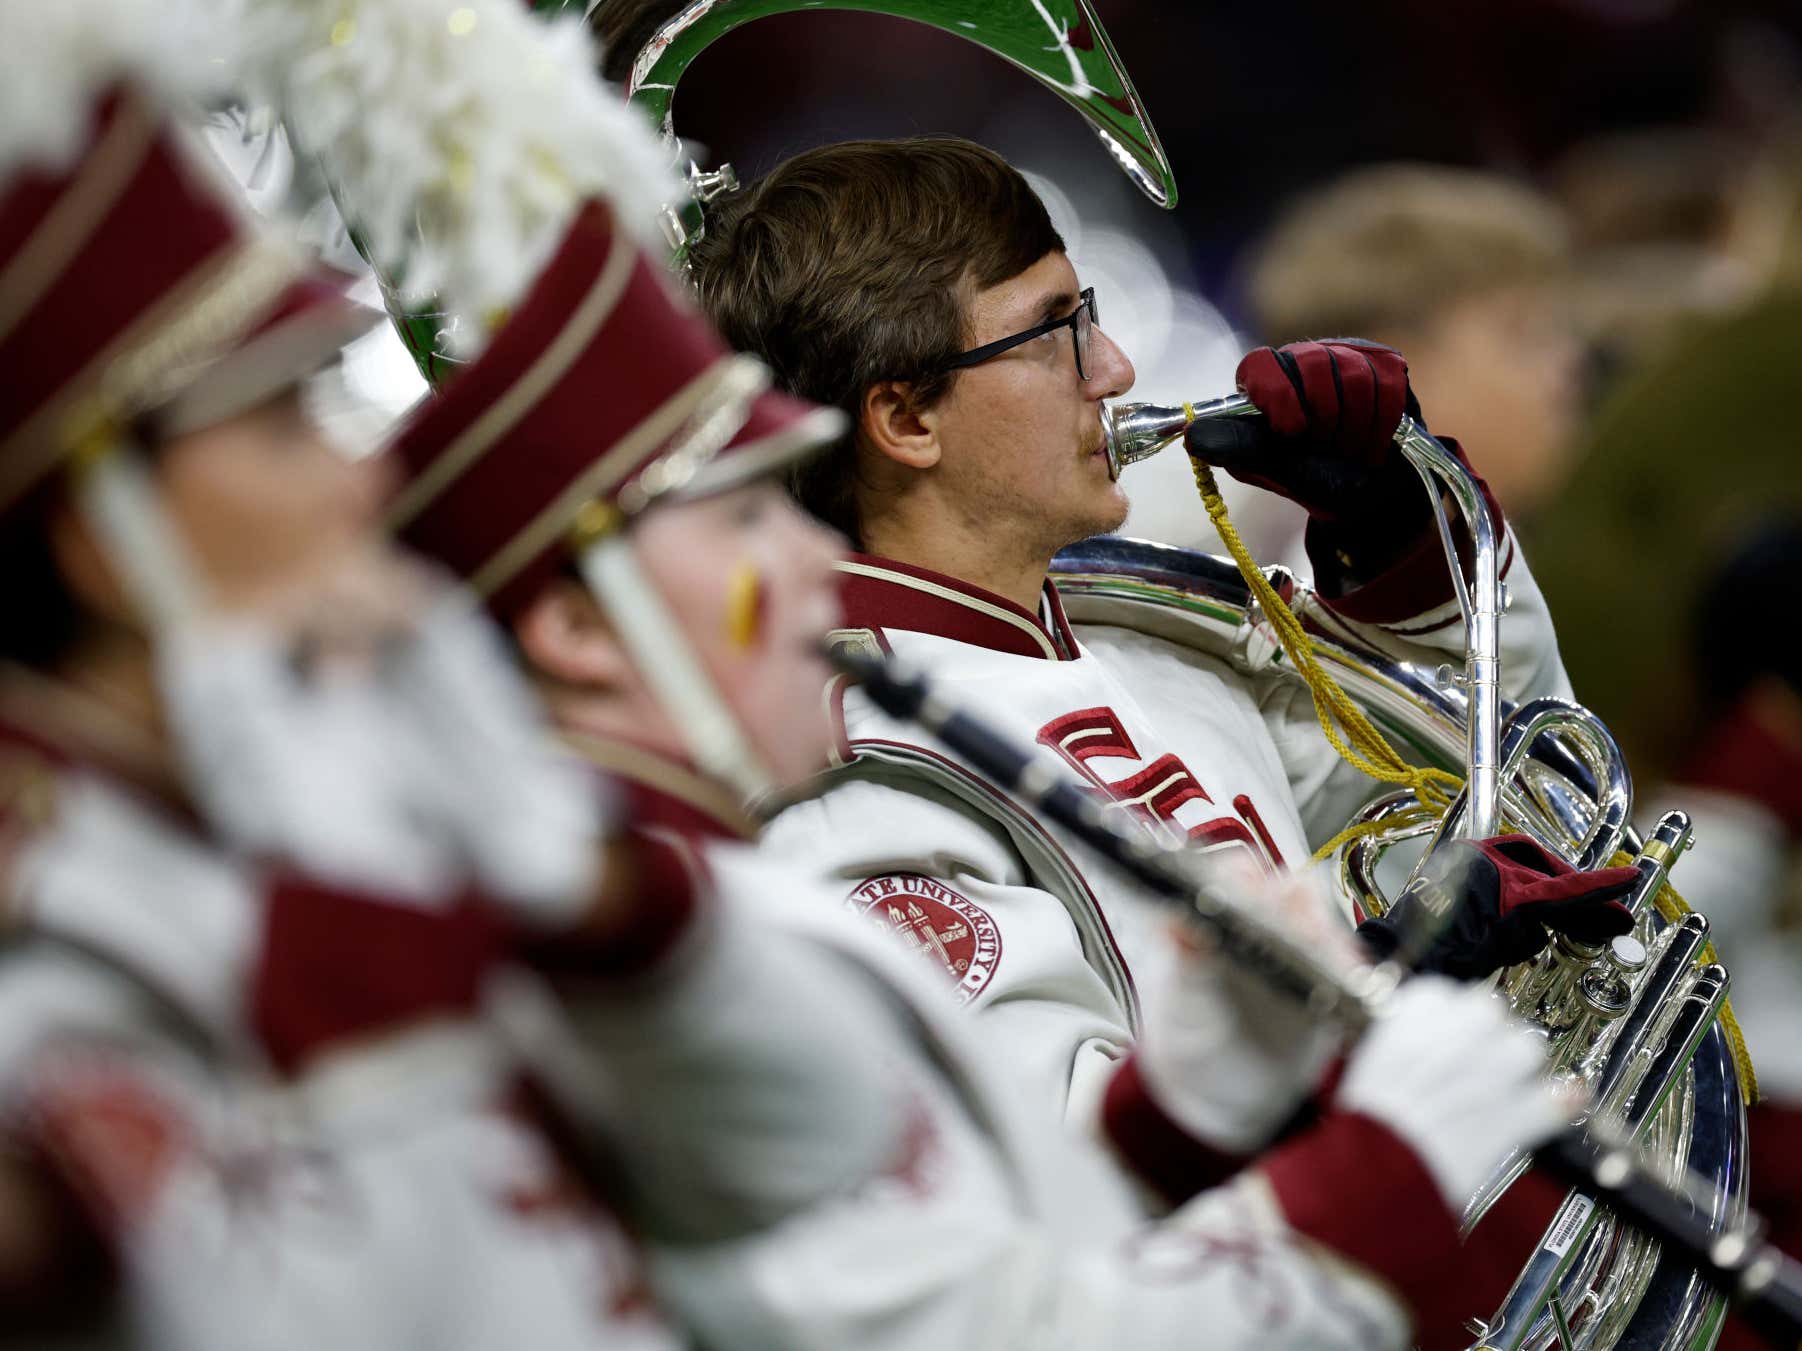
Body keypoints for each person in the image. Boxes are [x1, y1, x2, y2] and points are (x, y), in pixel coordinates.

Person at [379, 139, 1574, 1351]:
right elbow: (1026, 1259)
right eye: (1056, 327)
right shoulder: (846, 788)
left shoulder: (1155, 640)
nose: (1111, 368)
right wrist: (1376, 1005)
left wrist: (1394, 538)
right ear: (902, 417)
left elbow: (1523, 791)